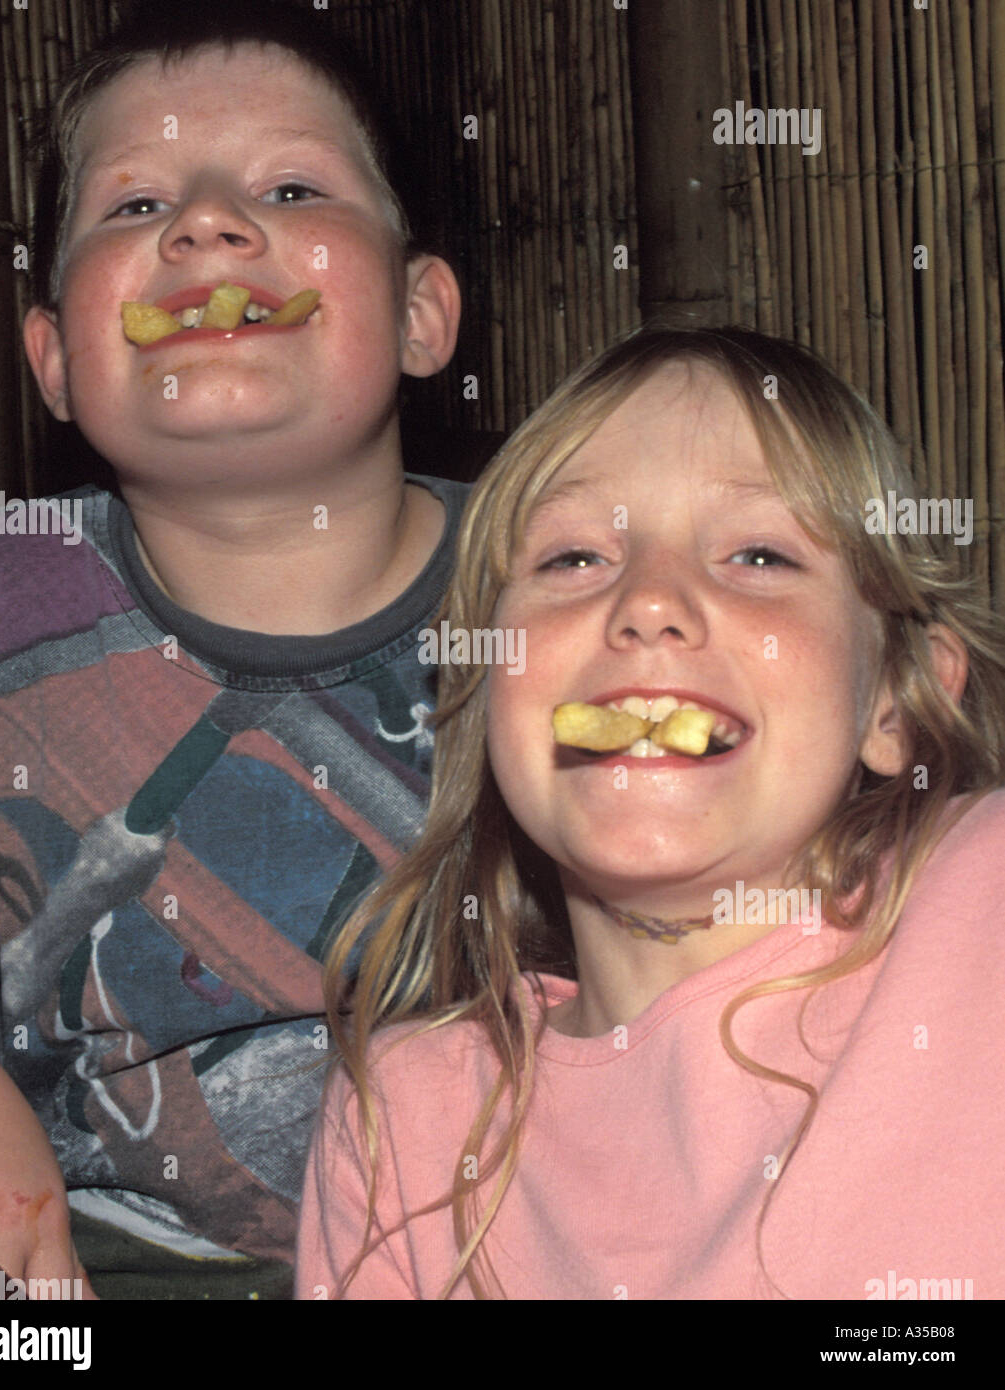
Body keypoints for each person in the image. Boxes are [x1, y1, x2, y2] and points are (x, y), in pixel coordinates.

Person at [296, 324, 1005, 1300]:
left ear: (896, 694)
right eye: (575, 557)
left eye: (758, 554)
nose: (650, 602)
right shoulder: (402, 1119)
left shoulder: (983, 901)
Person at [0, 0, 461, 1300]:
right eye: (133, 207)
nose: (208, 227)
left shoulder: (578, 590)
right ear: (53, 358)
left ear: (419, 312)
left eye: (290, 185)